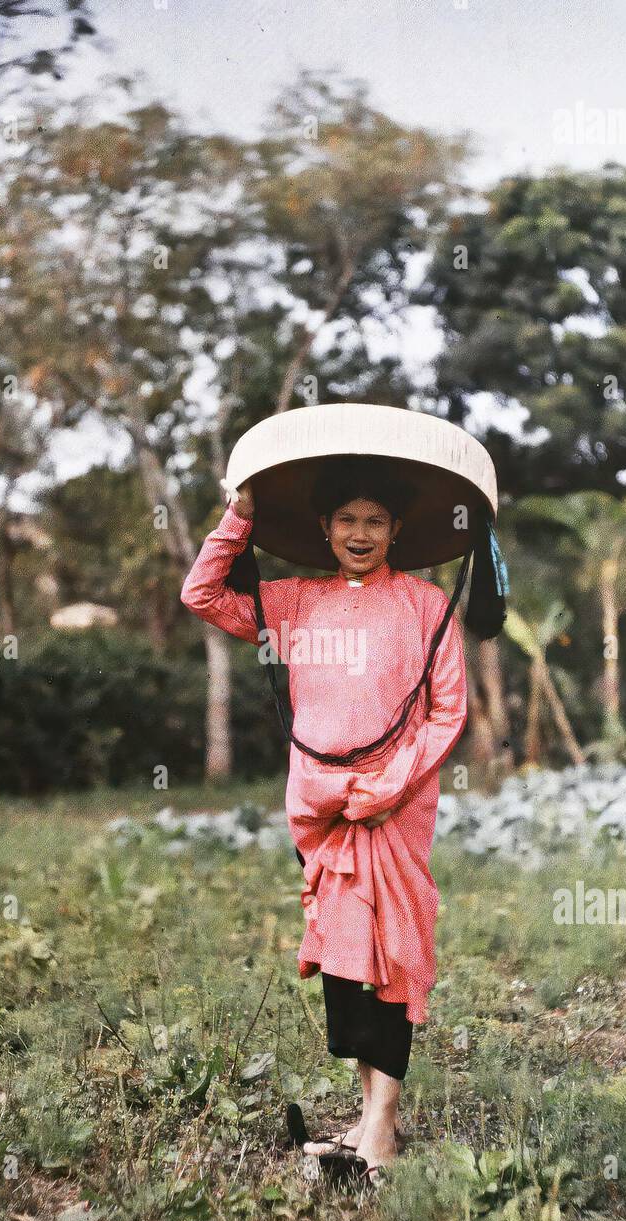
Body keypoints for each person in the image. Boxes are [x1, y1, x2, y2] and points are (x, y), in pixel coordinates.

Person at [180, 459, 469, 1181]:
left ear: (396, 529)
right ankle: (377, 1118)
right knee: (346, 954)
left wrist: (392, 785)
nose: (360, 535)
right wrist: (238, 514)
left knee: (394, 953)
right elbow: (201, 593)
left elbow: (447, 711)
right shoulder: (290, 602)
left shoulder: (425, 605)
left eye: (375, 521)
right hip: (321, 808)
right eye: (346, 521)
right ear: (324, 529)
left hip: (396, 806)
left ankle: (378, 1124)